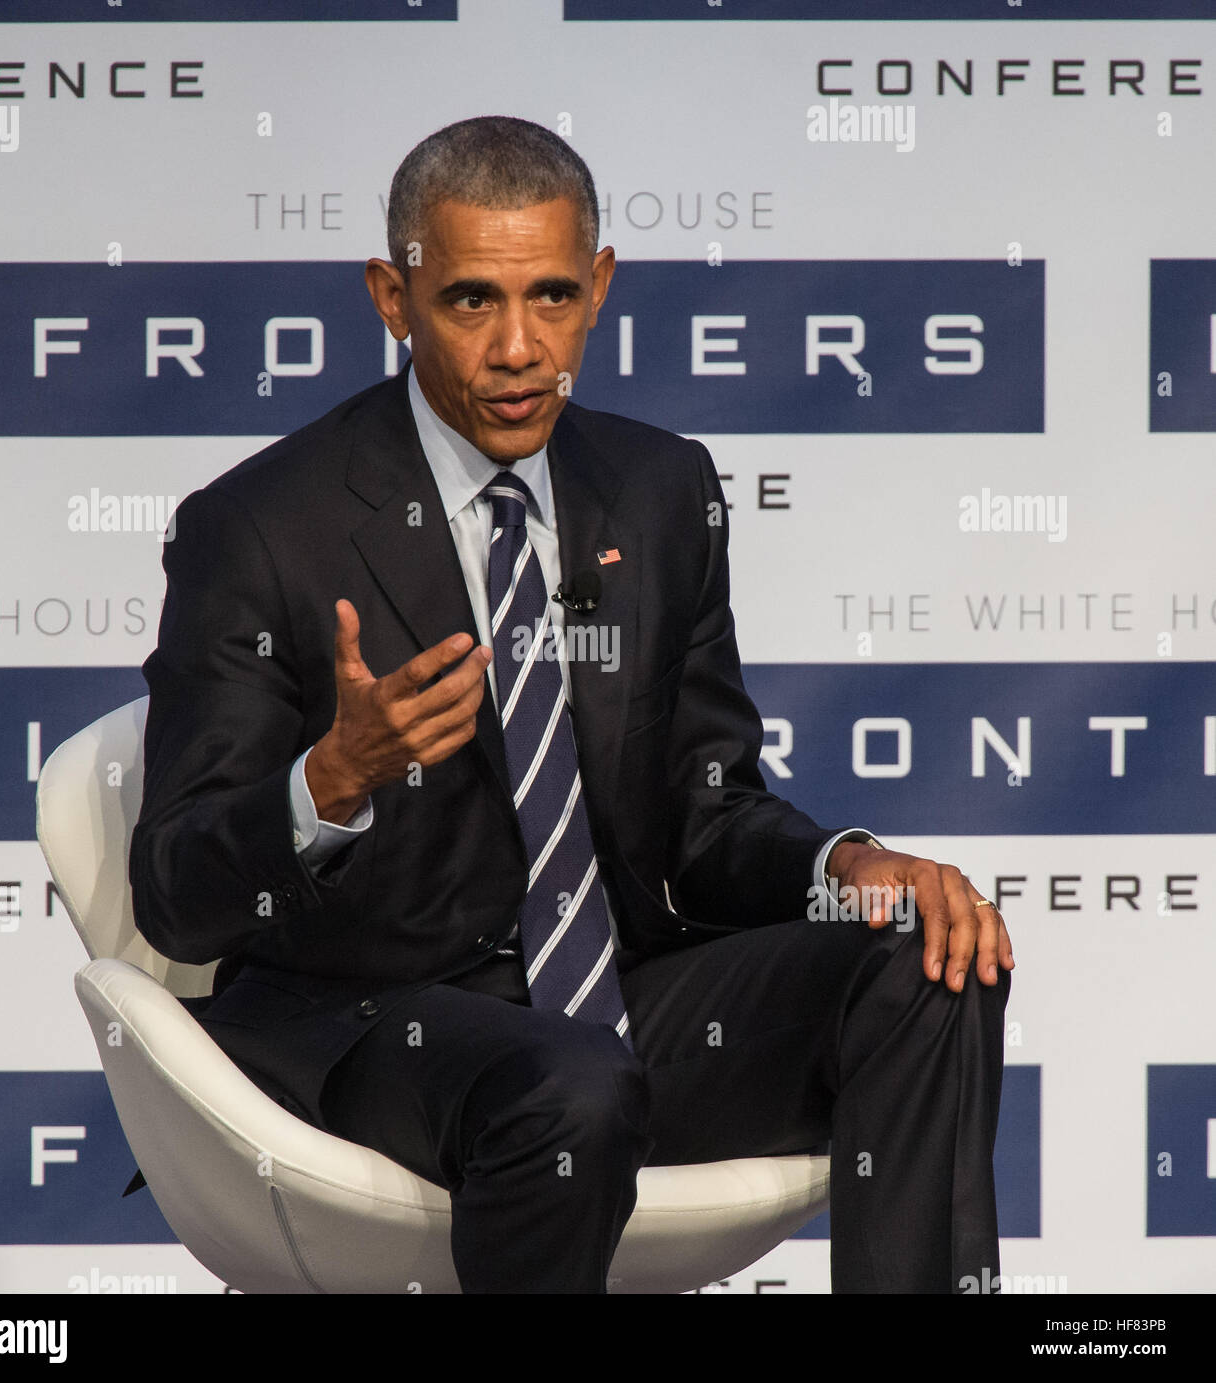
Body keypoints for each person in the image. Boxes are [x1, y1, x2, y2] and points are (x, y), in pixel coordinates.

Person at [130, 114, 1014, 1294]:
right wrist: (326, 784)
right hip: (373, 1018)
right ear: (393, 297)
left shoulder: (658, 491)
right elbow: (178, 896)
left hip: (620, 1002)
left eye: (551, 297)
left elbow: (707, 812)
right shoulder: (257, 527)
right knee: (568, 1084)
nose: (517, 348)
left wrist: (842, 867)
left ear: (599, 287)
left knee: (928, 955)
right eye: (469, 303)